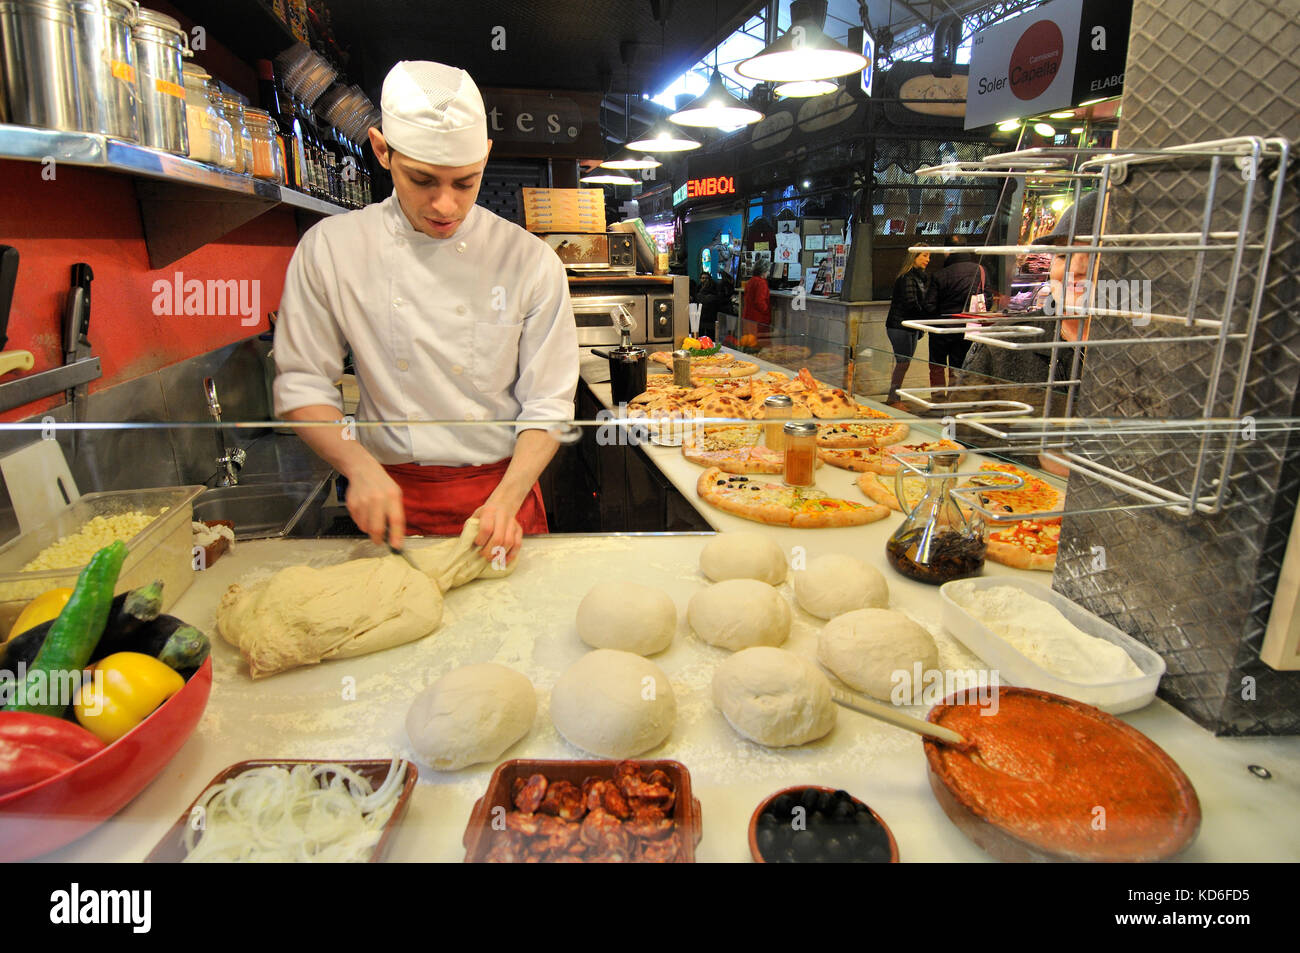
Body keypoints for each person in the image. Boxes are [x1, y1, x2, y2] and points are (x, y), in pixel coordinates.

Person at [273, 60, 579, 565]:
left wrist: (507, 498)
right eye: (423, 180)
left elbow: (548, 404)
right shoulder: (330, 249)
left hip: (501, 493)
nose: (444, 205)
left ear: (486, 157)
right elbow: (303, 383)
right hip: (388, 497)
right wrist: (358, 467)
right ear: (381, 150)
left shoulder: (529, 262)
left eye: (466, 182)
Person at [961, 192, 1098, 474]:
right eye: (1064, 254)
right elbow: (960, 435)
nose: (1076, 268)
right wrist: (1036, 460)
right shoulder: (1004, 343)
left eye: (1097, 254)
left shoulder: (1150, 354)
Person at [931, 242, 992, 393]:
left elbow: (929, 305)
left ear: (947, 252)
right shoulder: (981, 271)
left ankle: (937, 405)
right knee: (958, 367)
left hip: (941, 329)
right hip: (967, 328)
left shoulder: (940, 275)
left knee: (937, 367)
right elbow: (988, 299)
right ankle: (954, 403)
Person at [884, 244, 936, 409]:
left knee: (904, 363)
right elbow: (911, 304)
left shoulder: (918, 277)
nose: (928, 260)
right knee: (903, 363)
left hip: (908, 326)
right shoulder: (908, 278)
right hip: (901, 326)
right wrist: (929, 315)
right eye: (924, 255)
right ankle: (893, 398)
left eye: (929, 256)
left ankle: (894, 396)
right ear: (914, 257)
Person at [741, 258, 772, 341]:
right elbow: (760, 302)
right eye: (768, 271)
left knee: (748, 342)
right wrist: (767, 311)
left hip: (748, 316)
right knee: (759, 343)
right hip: (758, 319)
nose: (768, 273)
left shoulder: (751, 281)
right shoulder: (761, 283)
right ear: (763, 271)